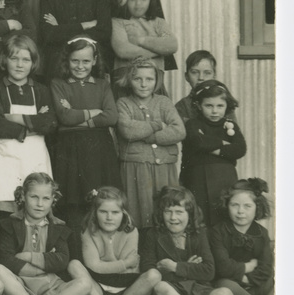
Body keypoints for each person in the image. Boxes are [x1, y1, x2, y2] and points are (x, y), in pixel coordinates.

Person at [137, 186, 250, 295]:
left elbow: (209, 271)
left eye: (179, 212)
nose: (173, 218)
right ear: (161, 213)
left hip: (198, 291)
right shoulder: (154, 234)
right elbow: (148, 269)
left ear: (190, 214)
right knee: (160, 287)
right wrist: (190, 268)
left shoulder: (199, 234)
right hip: (170, 293)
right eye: (168, 212)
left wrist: (175, 266)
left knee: (226, 294)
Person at [0, 172, 92, 295]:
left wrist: (28, 256)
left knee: (84, 283)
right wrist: (45, 262)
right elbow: (6, 259)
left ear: (53, 200)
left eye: (46, 199)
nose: (40, 204)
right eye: (34, 197)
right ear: (23, 196)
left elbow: (62, 260)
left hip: (52, 289)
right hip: (20, 291)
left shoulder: (59, 227)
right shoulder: (10, 224)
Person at [49, 37, 121, 230]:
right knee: (73, 202)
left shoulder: (102, 84)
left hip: (99, 148)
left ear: (95, 60)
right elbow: (64, 117)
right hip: (70, 148)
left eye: (86, 61)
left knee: (100, 199)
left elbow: (112, 117)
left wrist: (79, 117)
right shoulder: (59, 84)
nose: (80, 66)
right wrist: (94, 113)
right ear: (67, 60)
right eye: (75, 61)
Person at [0, 34, 55, 222]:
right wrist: (30, 126)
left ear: (33, 62)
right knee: (7, 212)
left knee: (35, 205)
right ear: (5, 60)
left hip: (35, 154)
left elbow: (49, 123)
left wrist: (16, 117)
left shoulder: (41, 90)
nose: (19, 65)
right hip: (6, 154)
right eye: (14, 59)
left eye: (25, 59)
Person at [68, 186, 161, 295]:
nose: (109, 217)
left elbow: (129, 270)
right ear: (95, 212)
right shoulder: (88, 232)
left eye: (115, 212)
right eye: (103, 212)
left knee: (154, 275)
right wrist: (124, 263)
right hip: (98, 288)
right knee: (74, 265)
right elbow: (93, 266)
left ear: (124, 213)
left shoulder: (131, 231)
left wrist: (108, 265)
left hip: (127, 291)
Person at [116, 58, 186, 228]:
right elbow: (127, 130)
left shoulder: (164, 102)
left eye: (149, 79)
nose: (143, 84)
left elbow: (179, 131)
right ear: (129, 80)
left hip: (164, 167)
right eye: (137, 79)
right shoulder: (123, 103)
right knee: (140, 211)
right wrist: (157, 125)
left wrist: (150, 137)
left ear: (157, 81)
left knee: (167, 209)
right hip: (136, 166)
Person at [180, 80, 246, 228]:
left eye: (220, 106)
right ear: (198, 106)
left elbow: (240, 149)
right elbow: (198, 142)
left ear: (227, 106)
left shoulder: (230, 126)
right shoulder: (193, 124)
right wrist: (224, 144)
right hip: (197, 176)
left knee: (223, 216)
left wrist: (210, 147)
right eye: (209, 106)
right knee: (200, 217)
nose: (215, 111)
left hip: (225, 177)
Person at [210, 178, 274, 295]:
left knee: (281, 280)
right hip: (233, 286)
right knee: (224, 284)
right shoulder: (218, 231)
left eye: (247, 206)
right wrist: (246, 270)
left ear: (257, 207)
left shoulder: (261, 232)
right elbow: (223, 267)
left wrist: (248, 278)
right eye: (234, 205)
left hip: (256, 284)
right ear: (227, 205)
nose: (240, 211)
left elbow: (265, 268)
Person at [109, 0, 177, 94]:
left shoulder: (159, 23)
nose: (138, 4)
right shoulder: (118, 22)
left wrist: (140, 40)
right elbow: (123, 50)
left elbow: (172, 45)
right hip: (125, 87)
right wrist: (158, 50)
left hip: (154, 88)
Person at [175, 50, 236, 124]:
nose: (201, 78)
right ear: (187, 76)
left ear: (214, 76)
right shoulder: (182, 106)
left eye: (207, 73)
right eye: (194, 72)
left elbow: (233, 131)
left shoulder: (223, 101)